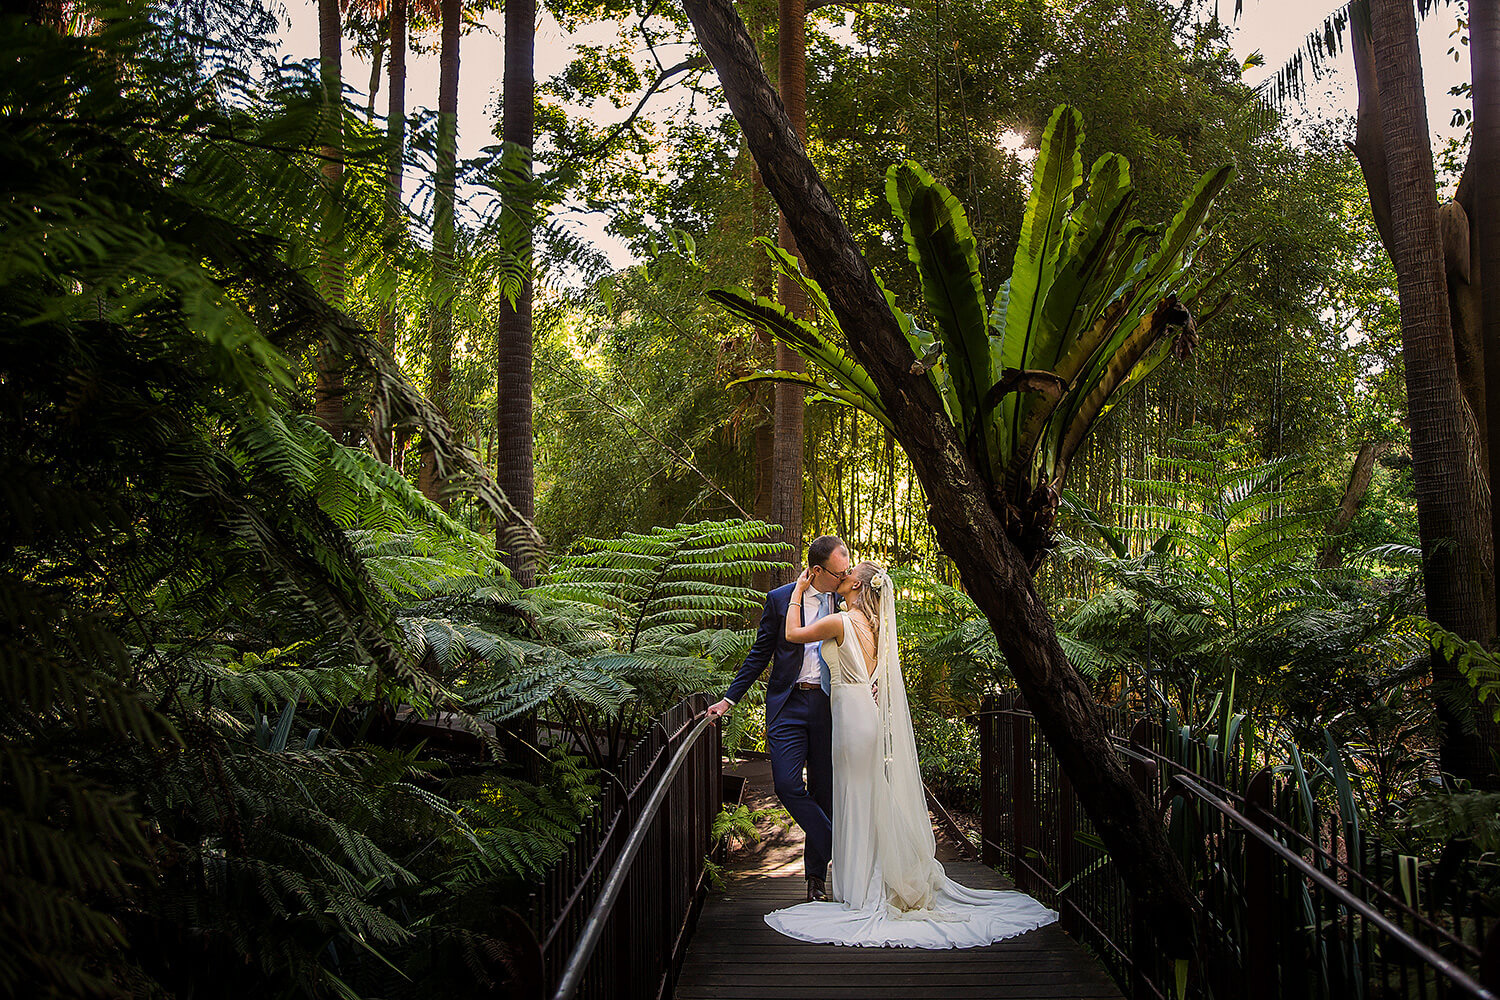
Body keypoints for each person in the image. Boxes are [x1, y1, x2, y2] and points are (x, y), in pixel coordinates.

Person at [763, 560, 1059, 948]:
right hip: (862, 714)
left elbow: (791, 633)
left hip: (849, 721)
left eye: (850, 574)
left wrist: (799, 590)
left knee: (854, 798)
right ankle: (868, 878)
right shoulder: (875, 626)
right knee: (865, 797)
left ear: (857, 587)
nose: (845, 575)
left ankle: (859, 887)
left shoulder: (841, 622)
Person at [705, 535, 854, 903]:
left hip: (828, 707)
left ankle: (816, 880)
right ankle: (835, 840)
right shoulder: (779, 599)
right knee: (787, 785)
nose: (846, 577)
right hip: (787, 706)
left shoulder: (848, 601)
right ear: (817, 571)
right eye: (840, 573)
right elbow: (759, 655)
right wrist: (728, 700)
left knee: (825, 790)